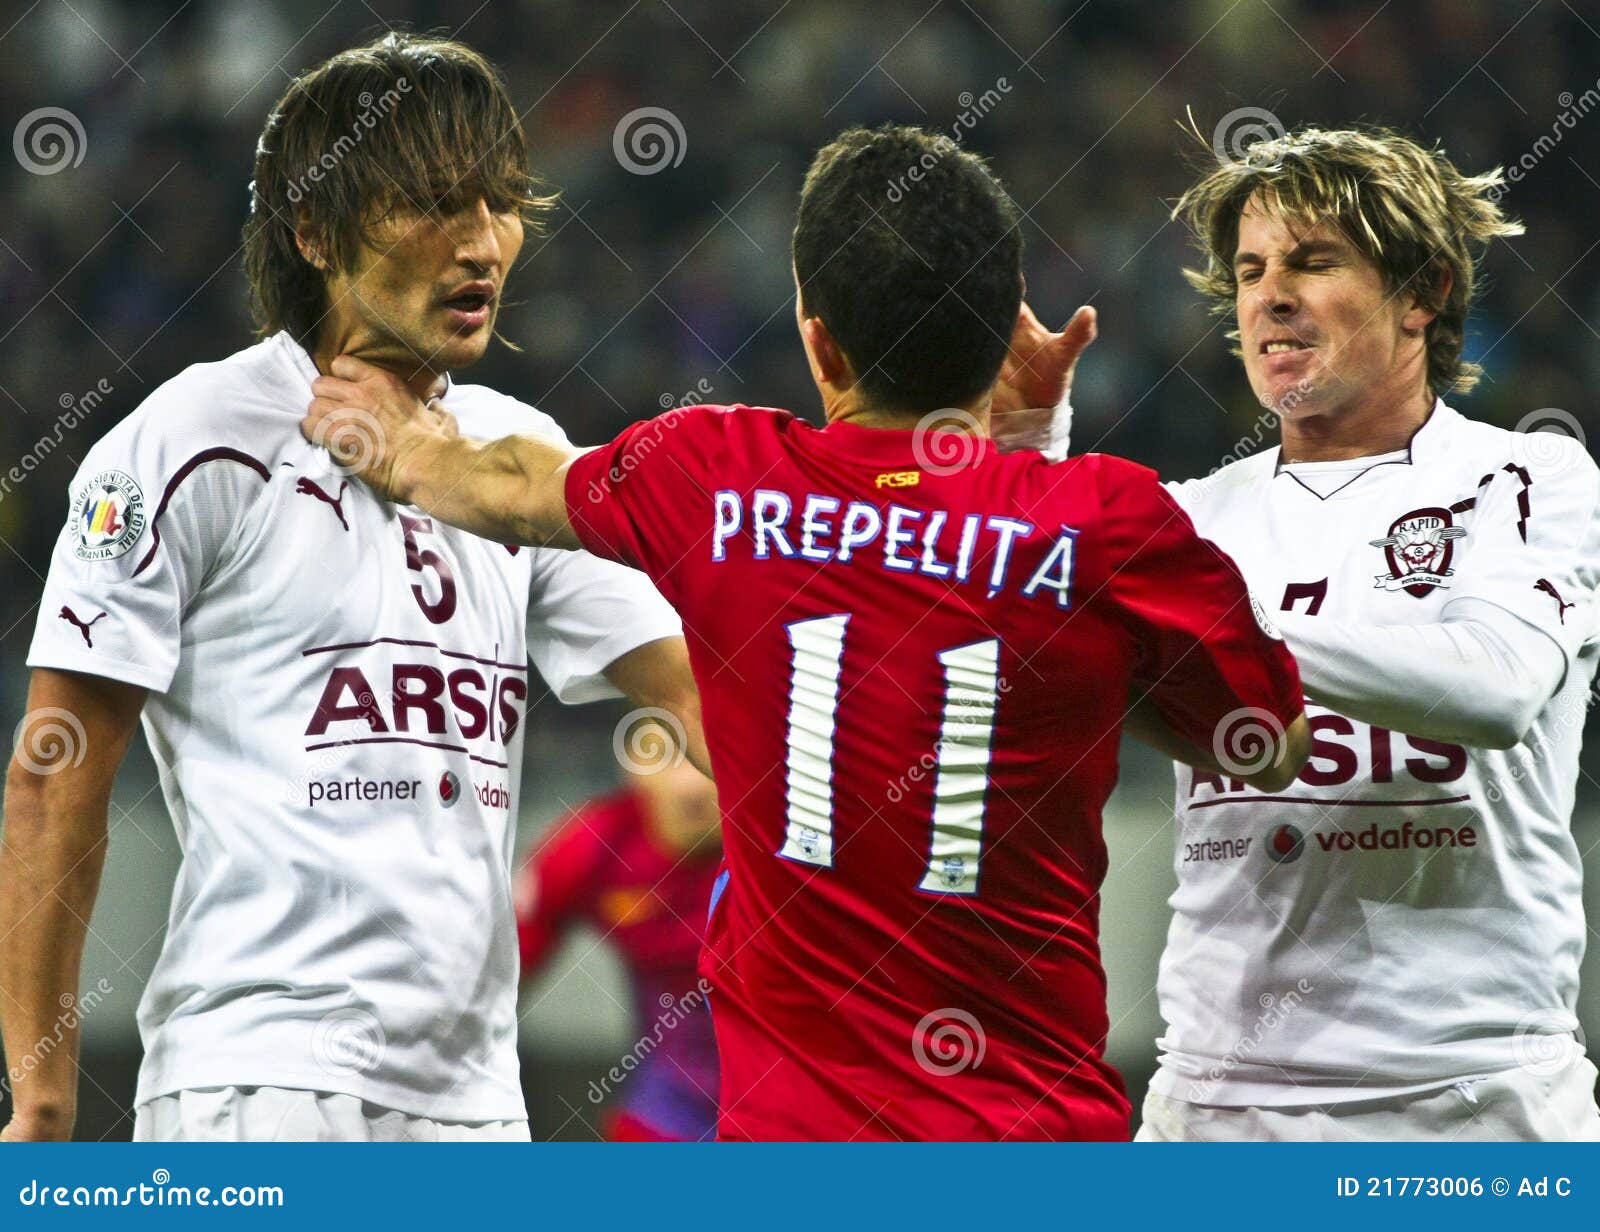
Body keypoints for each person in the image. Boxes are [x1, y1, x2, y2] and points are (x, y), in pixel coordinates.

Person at [302, 124, 1310, 1141]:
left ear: (818, 338)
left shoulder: (711, 475)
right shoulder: (1108, 523)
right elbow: (1267, 743)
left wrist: (374, 410)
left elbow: (503, 481)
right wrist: (1029, 472)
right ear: (1000, 324)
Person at [0, 33, 701, 1144]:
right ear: (315, 230)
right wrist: (40, 1095)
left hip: (477, 1107)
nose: (483, 244)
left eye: (502, 203)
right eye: (434, 203)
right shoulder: (192, 440)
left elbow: (710, 702)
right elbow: (55, 771)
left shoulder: (519, 458)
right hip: (257, 1089)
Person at [1021, 125, 1600, 1139]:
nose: (1267, 295)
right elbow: (1031, 650)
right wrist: (1024, 462)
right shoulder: (1190, 518)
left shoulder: (1529, 478)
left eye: (1312, 261)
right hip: (1215, 1110)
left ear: (1421, 291)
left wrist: (1207, 616)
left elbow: (1498, 688)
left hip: (1472, 1111)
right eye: (1249, 269)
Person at [516, 728, 721, 1141]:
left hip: (794, 1102)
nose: (690, 786)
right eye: (665, 756)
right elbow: (493, 983)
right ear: (634, 761)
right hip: (668, 1106)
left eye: (707, 759)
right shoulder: (591, 847)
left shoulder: (788, 856)